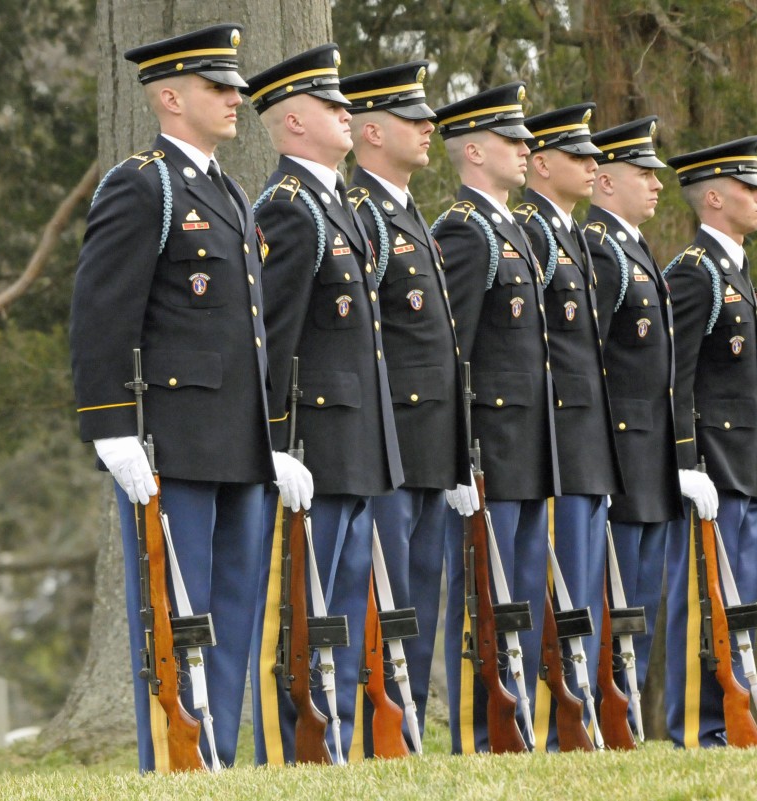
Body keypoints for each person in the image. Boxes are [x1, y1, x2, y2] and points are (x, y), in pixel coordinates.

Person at [69, 23, 303, 771]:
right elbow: (102, 310)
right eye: (217, 86)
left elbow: (252, 333)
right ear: (170, 97)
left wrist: (271, 436)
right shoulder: (144, 184)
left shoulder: (230, 189)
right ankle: (177, 761)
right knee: (178, 615)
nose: (236, 98)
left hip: (236, 436)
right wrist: (110, 427)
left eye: (235, 86)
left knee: (233, 610)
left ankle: (218, 758)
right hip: (171, 436)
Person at [244, 44, 404, 764]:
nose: (349, 115)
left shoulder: (334, 206)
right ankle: (300, 743)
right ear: (296, 120)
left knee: (341, 608)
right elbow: (270, 341)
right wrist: (276, 442)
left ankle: (334, 738)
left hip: (356, 441)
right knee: (308, 613)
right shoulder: (287, 210)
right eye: (335, 105)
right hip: (314, 444)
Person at [339, 60, 472, 751]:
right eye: (410, 119)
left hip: (428, 443)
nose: (427, 129)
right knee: (384, 600)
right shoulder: (362, 215)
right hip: (388, 440)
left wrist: (459, 450)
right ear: (369, 131)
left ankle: (409, 725)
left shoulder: (408, 214)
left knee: (418, 595)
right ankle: (379, 728)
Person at [431, 82, 559, 754]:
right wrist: (459, 453)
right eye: (513, 141)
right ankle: (481, 732)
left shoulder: (510, 228)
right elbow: (450, 352)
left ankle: (517, 724)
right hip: (489, 448)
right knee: (484, 600)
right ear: (475, 151)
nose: (526, 149)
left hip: (529, 447)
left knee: (521, 601)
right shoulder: (465, 229)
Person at [583, 117, 718, 725]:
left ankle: (629, 714)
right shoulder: (601, 249)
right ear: (605, 182)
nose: (657, 185)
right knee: (617, 598)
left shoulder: (634, 246)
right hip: (621, 455)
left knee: (642, 599)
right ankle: (610, 713)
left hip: (653, 457)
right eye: (643, 174)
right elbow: (594, 361)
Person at [515, 102, 623, 749]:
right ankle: (551, 721)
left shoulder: (574, 236)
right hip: (554, 433)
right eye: (579, 156)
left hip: (586, 437)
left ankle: (576, 715)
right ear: (543, 162)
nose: (593, 165)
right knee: (552, 589)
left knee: (580, 592)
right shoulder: (531, 230)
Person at [662, 135, 757, 748]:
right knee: (701, 602)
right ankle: (694, 727)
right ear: (712, 197)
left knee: (738, 603)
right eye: (747, 187)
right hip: (709, 466)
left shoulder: (734, 268)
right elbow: (672, 376)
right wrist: (682, 460)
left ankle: (733, 720)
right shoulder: (695, 272)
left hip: (741, 465)